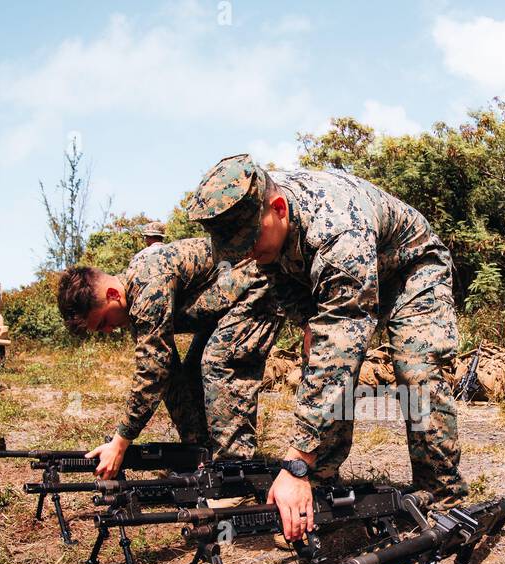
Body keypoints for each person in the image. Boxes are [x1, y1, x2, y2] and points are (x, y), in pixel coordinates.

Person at [186, 154, 467, 541]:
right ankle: (319, 485)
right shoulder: (264, 221)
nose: (246, 254)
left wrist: (295, 461)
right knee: (321, 365)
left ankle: (442, 495)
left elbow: (341, 347)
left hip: (411, 269)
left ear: (279, 209)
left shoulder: (337, 231)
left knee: (415, 370)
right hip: (354, 275)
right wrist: (308, 327)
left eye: (250, 243)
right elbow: (288, 289)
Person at [55, 236, 282, 476]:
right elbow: (169, 379)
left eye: (103, 322)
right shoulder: (133, 303)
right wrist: (193, 452)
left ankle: (235, 477)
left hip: (258, 287)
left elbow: (152, 375)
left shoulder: (147, 286)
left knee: (218, 364)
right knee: (192, 373)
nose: (109, 330)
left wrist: (120, 442)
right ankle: (207, 460)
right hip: (226, 306)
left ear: (112, 294)